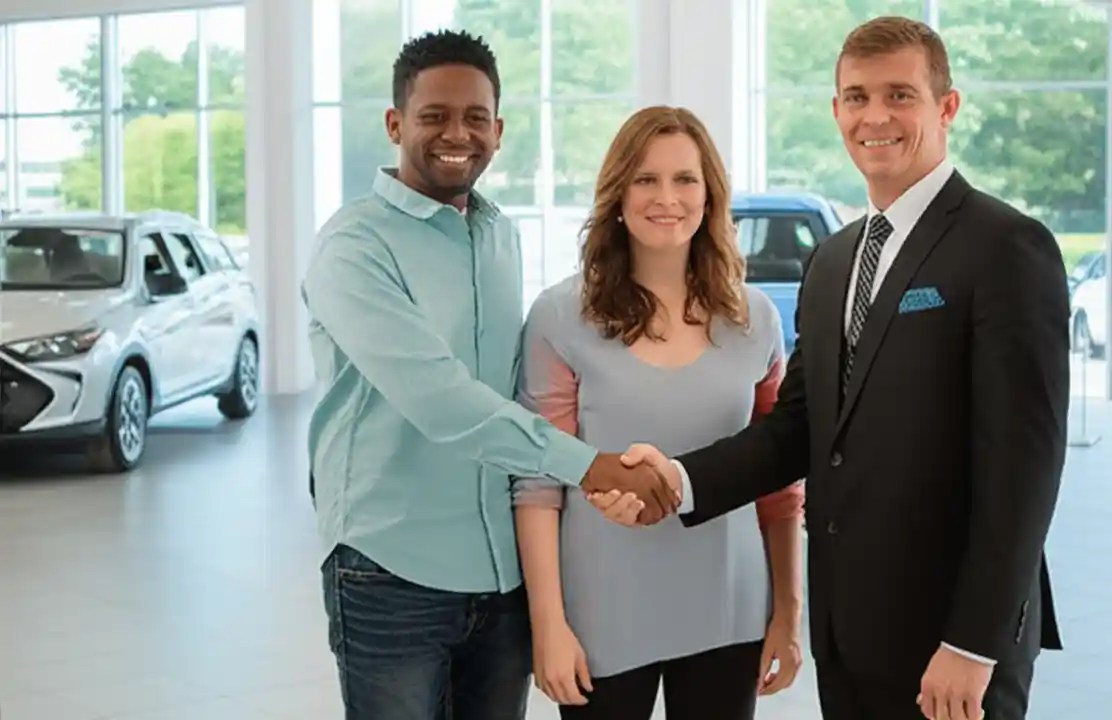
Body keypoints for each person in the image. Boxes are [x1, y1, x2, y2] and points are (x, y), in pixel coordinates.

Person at [611, 16, 1069, 720]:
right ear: (836, 111)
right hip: (849, 633)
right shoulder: (832, 262)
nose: (874, 116)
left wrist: (974, 643)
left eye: (899, 95)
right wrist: (680, 477)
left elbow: (1025, 467)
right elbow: (798, 430)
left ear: (947, 107)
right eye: (856, 97)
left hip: (949, 641)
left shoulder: (1006, 247)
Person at [300, 30, 676, 720]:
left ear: (498, 131)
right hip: (389, 570)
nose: (457, 134)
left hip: (500, 577)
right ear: (395, 124)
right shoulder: (353, 247)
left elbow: (519, 384)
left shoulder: (498, 235)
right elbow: (442, 402)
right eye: (434, 115)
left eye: (475, 117)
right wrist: (593, 468)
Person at [512, 106, 806, 720]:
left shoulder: (756, 322)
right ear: (618, 193)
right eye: (646, 179)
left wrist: (787, 612)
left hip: (729, 605)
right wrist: (549, 625)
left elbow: (778, 482)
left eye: (685, 180)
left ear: (710, 195)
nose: (666, 198)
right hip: (603, 609)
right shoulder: (560, 317)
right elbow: (538, 485)